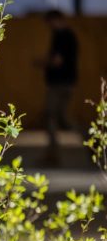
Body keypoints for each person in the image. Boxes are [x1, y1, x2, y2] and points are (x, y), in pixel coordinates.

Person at [42, 9, 79, 166]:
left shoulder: (63, 36)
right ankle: (94, 139)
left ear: (55, 20)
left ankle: (53, 154)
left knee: (51, 116)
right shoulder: (66, 35)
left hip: (60, 83)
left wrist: (42, 63)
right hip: (66, 82)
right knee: (61, 118)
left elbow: (57, 61)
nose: (49, 25)